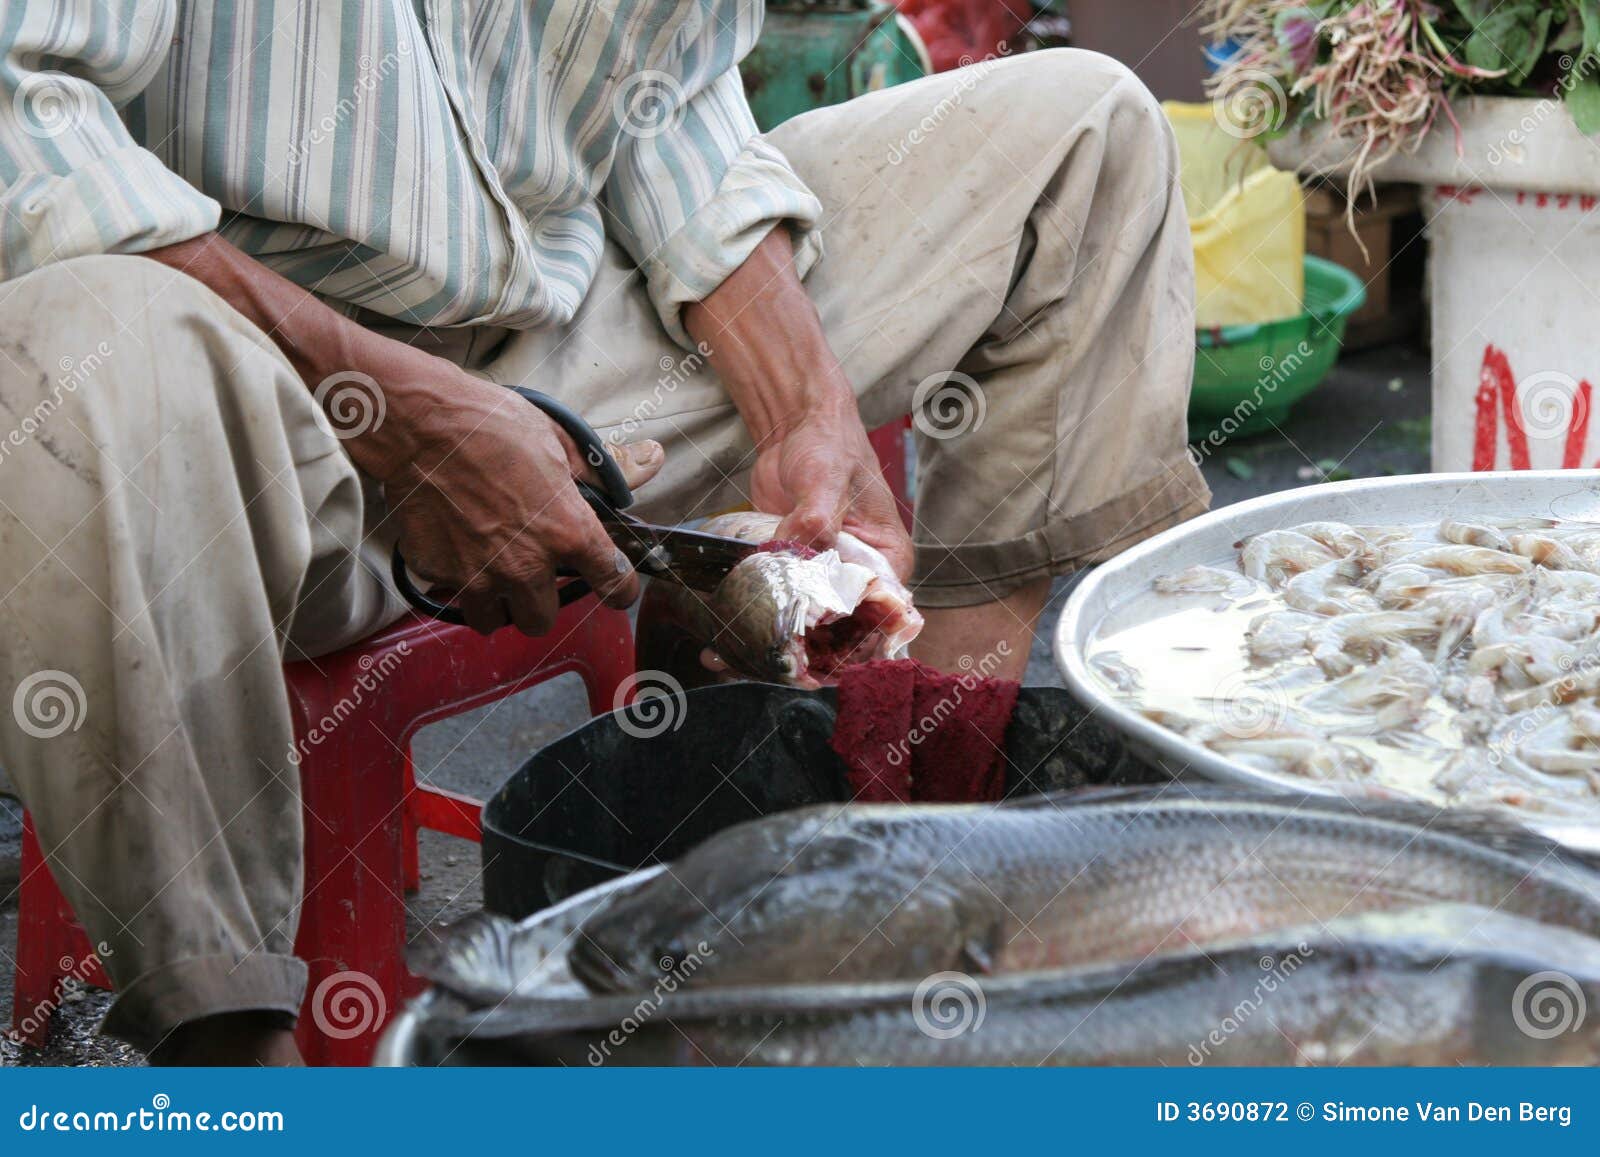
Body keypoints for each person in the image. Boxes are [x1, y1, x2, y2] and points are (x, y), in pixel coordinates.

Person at [0, 1, 1207, 1064]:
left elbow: (672, 104)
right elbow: (27, 125)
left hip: (570, 355)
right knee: (76, 337)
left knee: (1081, 128)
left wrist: (803, 408)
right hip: (245, 419)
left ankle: (920, 850)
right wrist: (405, 421)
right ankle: (233, 1048)